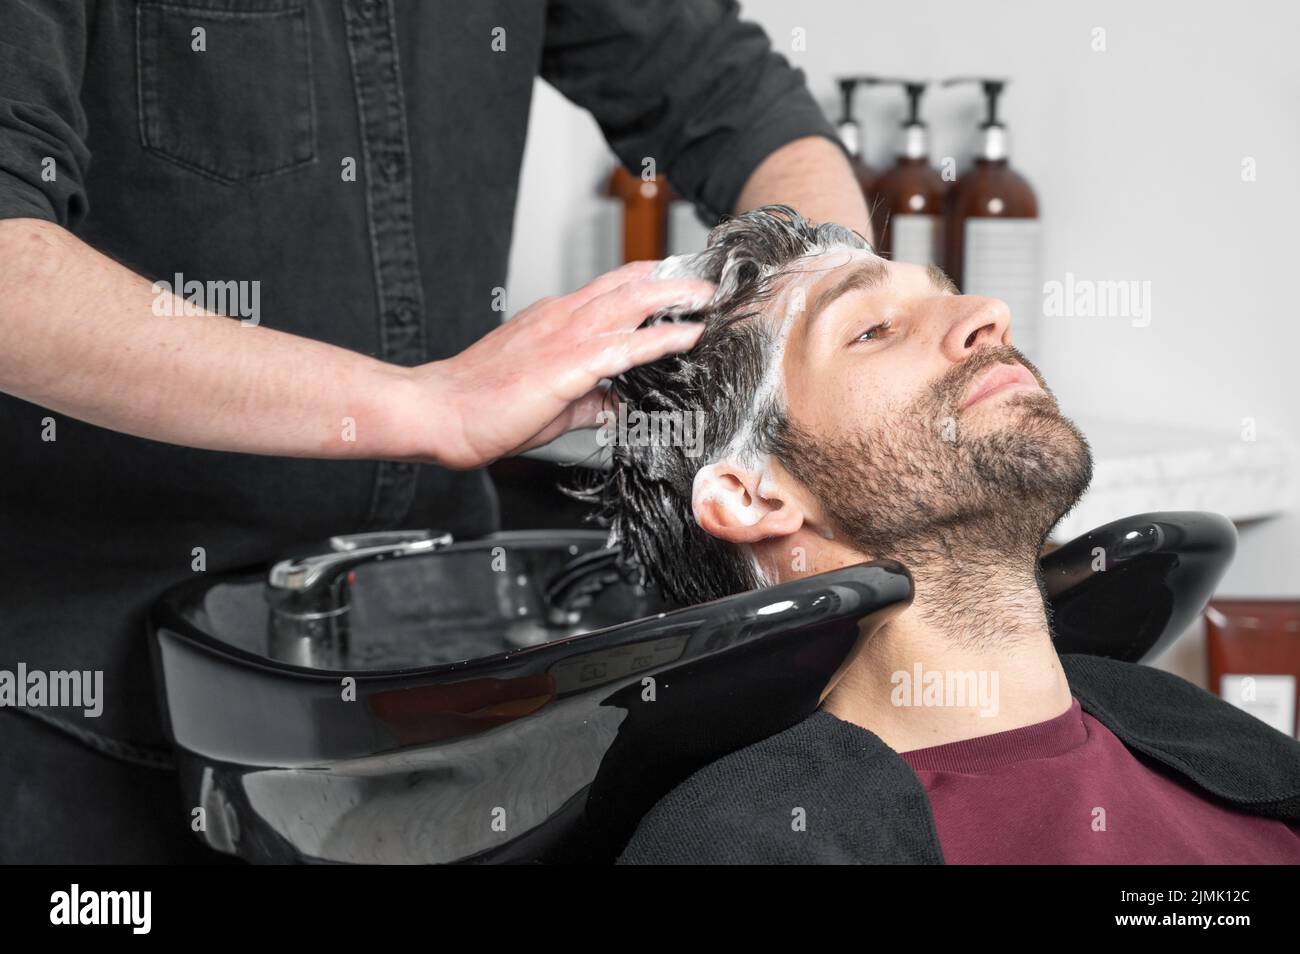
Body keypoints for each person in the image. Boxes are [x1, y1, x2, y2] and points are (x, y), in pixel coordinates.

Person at [0, 2, 872, 862]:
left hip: (441, 687)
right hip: (83, 701)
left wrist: (823, 308)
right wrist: (428, 405)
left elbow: (737, 96)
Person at [584, 205, 1300, 864]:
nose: (989, 313)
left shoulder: (1216, 756)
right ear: (751, 495)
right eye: (872, 329)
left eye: (945, 290)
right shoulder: (749, 845)